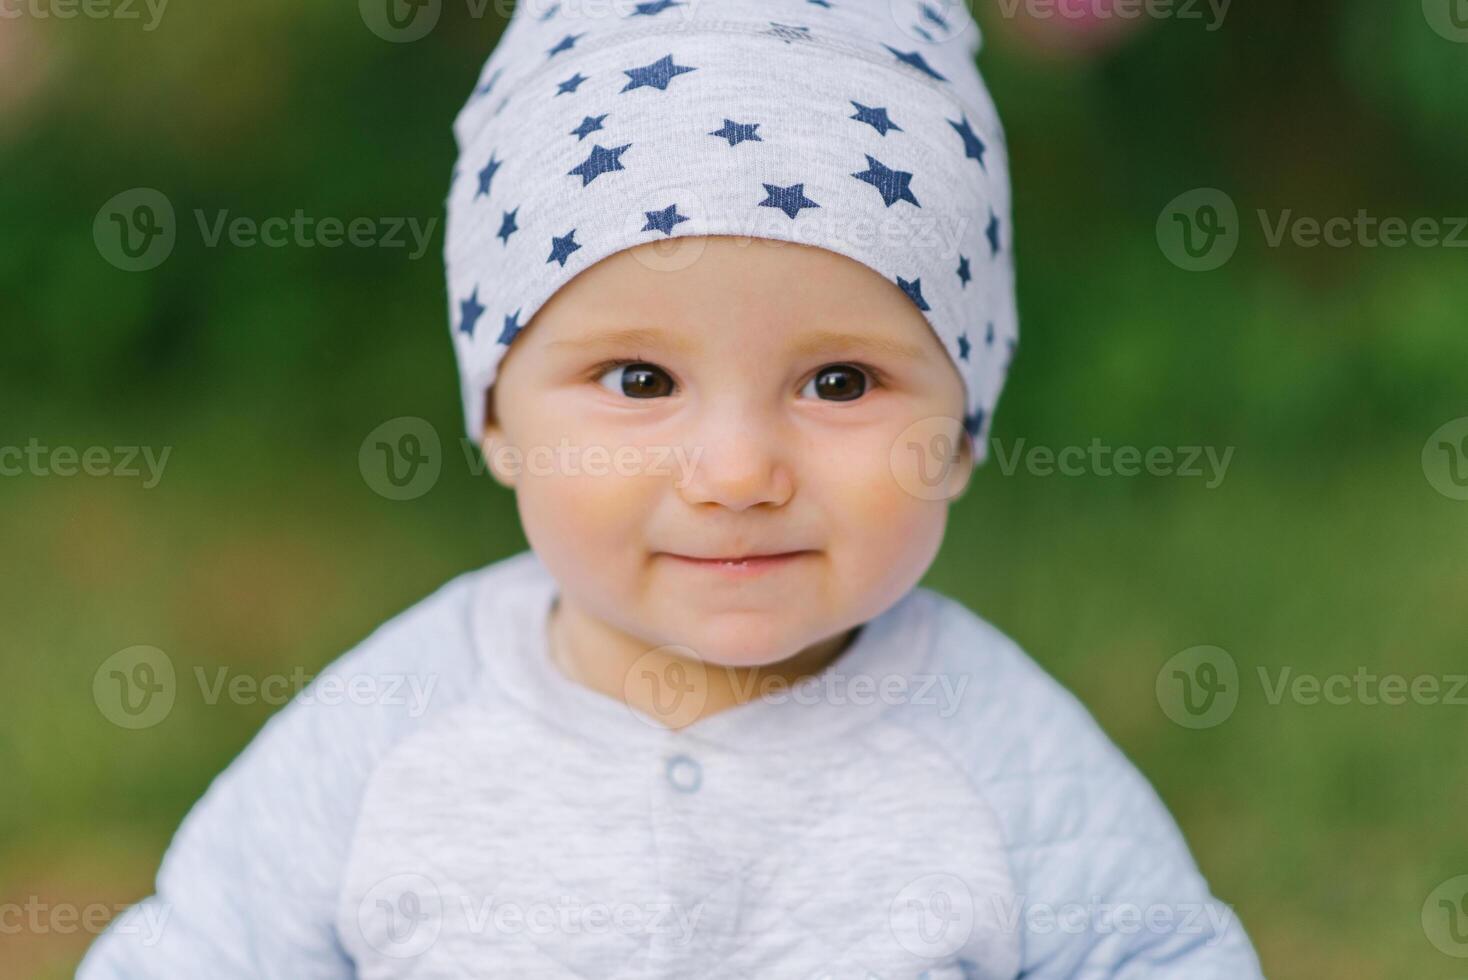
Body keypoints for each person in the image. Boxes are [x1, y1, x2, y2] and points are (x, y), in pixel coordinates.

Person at [78, 0, 1265, 975]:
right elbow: (197, 951)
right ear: (496, 414)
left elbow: (1163, 956)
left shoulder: (1000, 752)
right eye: (639, 377)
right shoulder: (395, 726)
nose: (739, 471)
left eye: (840, 379)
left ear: (962, 430)